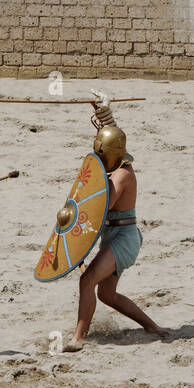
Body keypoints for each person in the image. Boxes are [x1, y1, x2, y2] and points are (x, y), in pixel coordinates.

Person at [63, 101, 167, 352]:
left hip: (124, 237)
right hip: (112, 235)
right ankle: (153, 327)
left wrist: (78, 241)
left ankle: (78, 338)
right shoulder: (115, 159)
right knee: (106, 295)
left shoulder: (122, 175)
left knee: (87, 281)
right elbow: (112, 138)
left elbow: (102, 207)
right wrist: (103, 113)